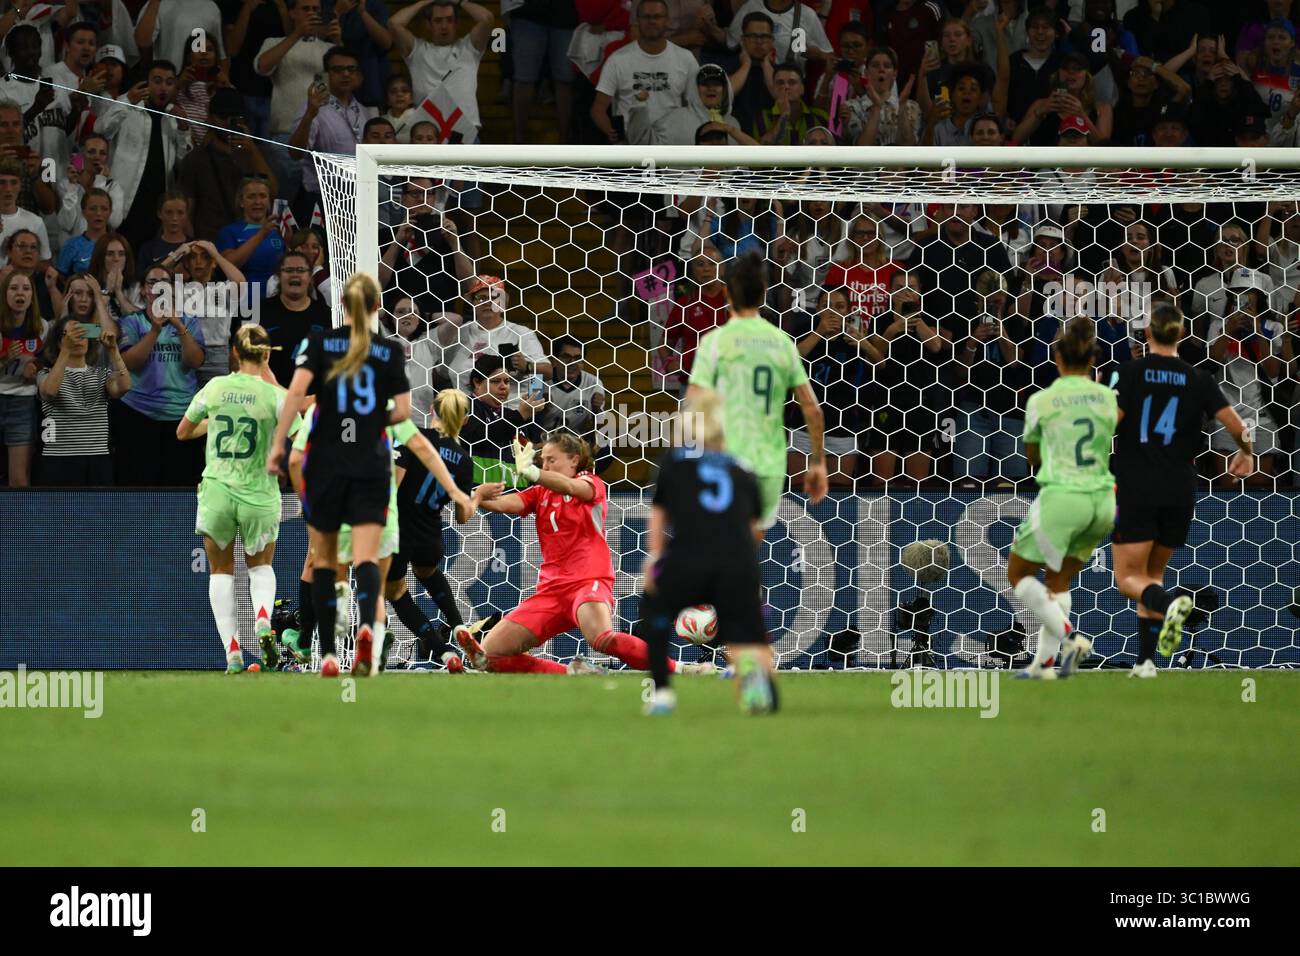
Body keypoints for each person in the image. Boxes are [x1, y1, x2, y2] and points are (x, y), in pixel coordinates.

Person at [455, 431, 707, 676]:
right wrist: (475, 495)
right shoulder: (540, 493)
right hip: (551, 590)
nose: (545, 465)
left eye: (551, 460)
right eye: (542, 461)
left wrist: (534, 472)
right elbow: (506, 504)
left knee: (601, 637)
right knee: (489, 654)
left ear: (574, 460)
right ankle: (574, 673)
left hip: (588, 581)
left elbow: (569, 486)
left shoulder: (591, 484)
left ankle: (682, 669)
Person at [266, 272, 409, 678]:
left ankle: (328, 653)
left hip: (328, 464)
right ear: (377, 308)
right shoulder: (388, 351)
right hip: (370, 465)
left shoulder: (318, 344)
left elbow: (294, 397)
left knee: (325, 560)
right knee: (365, 556)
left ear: (341, 307)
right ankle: (367, 627)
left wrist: (279, 444)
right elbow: (402, 412)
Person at [1111, 305, 1255, 679]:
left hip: (1137, 483)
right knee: (1152, 574)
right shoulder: (1200, 379)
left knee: (1128, 578)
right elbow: (1237, 424)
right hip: (1180, 486)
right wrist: (1247, 453)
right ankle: (1145, 663)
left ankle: (1171, 603)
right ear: (1181, 334)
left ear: (1148, 334)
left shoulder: (1130, 373)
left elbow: (1110, 422)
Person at [637, 390, 770, 716]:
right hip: (737, 561)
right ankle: (753, 684)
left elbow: (658, 516)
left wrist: (654, 558)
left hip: (689, 557)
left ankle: (662, 694)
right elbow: (756, 528)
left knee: (654, 612)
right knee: (743, 628)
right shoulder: (743, 467)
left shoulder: (675, 461)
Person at [1006, 317, 1117, 680]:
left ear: (1056, 358)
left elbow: (1033, 457)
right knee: (1058, 581)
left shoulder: (1042, 400)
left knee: (1019, 573)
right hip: (1102, 500)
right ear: (1092, 360)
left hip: (1064, 495)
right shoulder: (1106, 397)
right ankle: (1045, 666)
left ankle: (1070, 640)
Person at [686, 251, 828, 537]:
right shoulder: (782, 343)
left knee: (723, 544)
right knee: (749, 551)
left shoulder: (715, 342)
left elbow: (694, 404)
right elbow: (812, 409)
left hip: (726, 459)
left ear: (727, 294)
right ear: (764, 294)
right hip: (769, 462)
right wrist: (817, 463)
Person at [177, 325, 288, 674]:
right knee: (261, 566)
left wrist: (218, 421)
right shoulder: (274, 396)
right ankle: (261, 619)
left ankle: (233, 653)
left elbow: (182, 432)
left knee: (221, 571)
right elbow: (298, 433)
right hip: (259, 493)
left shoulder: (215, 387)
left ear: (235, 354)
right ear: (267, 354)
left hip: (217, 492)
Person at [384, 387, 478, 668]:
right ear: (464, 421)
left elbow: (394, 484)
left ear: (431, 411)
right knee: (426, 570)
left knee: (395, 592)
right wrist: (480, 497)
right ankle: (459, 626)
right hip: (430, 533)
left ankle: (442, 651)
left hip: (400, 529)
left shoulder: (415, 438)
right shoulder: (464, 459)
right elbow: (462, 517)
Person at [115, 262, 207, 486]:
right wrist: (155, 330)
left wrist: (178, 325)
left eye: (164, 283)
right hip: (139, 413)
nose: (158, 287)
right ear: (144, 291)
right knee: (138, 484)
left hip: (181, 415)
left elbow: (195, 361)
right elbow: (130, 363)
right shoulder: (131, 322)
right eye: (152, 282)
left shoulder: (189, 322)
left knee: (180, 485)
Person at [37, 313, 130, 486]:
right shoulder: (45, 374)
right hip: (58, 458)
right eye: (71, 334)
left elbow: (124, 387)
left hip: (97, 458)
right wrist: (66, 350)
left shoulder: (102, 374)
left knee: (97, 512)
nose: (78, 339)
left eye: (82, 334)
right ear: (59, 342)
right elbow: (49, 391)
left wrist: (113, 350)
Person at [391, 0, 494, 137]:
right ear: (429, 24)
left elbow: (487, 19)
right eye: (438, 20)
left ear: (457, 23)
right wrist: (425, 2)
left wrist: (460, 1)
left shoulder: (469, 48)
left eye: (449, 20)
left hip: (465, 134)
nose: (444, 26)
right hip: (427, 136)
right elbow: (394, 24)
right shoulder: (417, 51)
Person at [258, 250, 331, 385]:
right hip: (269, 397)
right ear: (279, 276)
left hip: (313, 400)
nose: (295, 275)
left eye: (301, 270)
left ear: (310, 277)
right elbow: (242, 358)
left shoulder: (326, 314)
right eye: (289, 270)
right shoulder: (260, 311)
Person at [0, 268, 44, 485]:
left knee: (18, 479)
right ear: (4, 294)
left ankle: (16, 519)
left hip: (23, 402)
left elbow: (50, 361)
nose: (20, 293)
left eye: (26, 289)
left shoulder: (42, 327)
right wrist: (4, 360)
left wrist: (36, 367)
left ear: (32, 296)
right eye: (14, 288)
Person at [217, 177, 285, 294]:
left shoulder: (280, 230)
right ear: (241, 202)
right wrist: (261, 234)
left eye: (263, 196)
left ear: (269, 201)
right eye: (251, 197)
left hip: (277, 300)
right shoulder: (229, 231)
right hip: (245, 302)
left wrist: (289, 241)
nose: (257, 202)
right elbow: (229, 265)